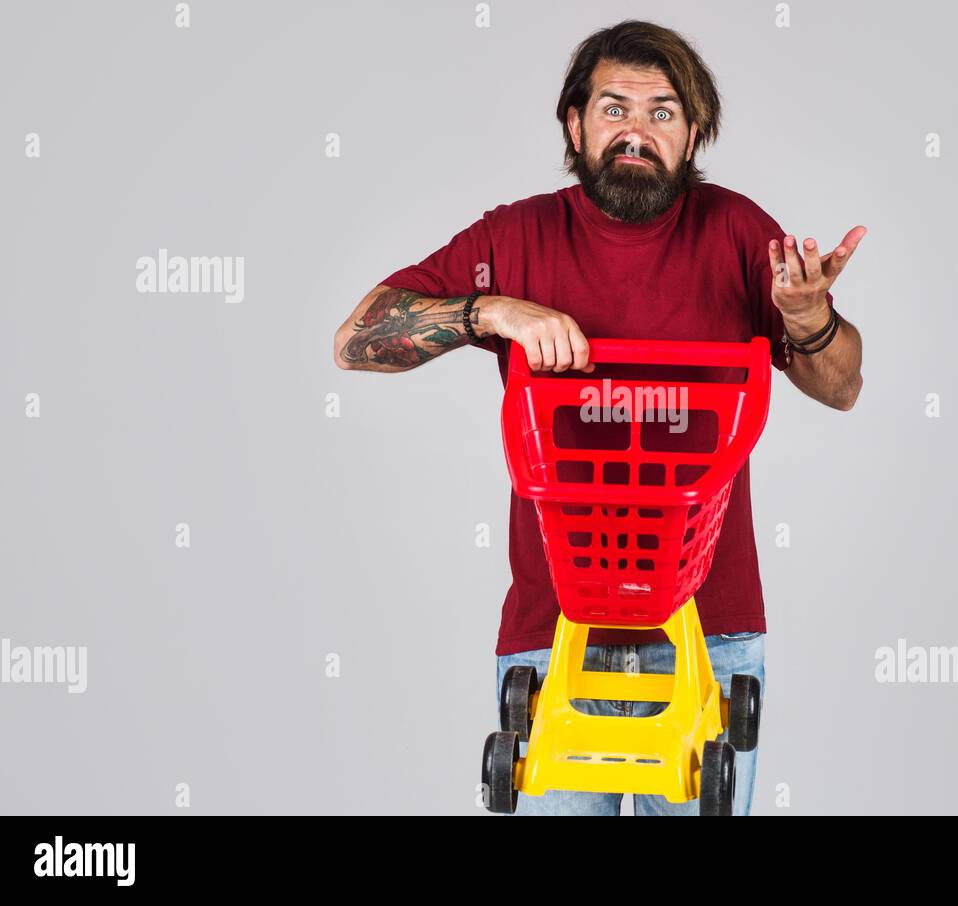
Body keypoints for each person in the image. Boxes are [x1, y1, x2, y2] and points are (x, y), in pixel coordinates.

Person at [333, 19, 866, 815]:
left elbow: (842, 387)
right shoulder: (517, 236)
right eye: (614, 108)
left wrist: (808, 319)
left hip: (709, 634)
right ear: (575, 124)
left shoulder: (736, 233)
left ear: (693, 135)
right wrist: (490, 310)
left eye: (662, 113)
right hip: (554, 634)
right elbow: (355, 341)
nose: (636, 132)